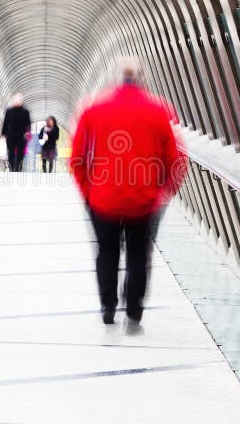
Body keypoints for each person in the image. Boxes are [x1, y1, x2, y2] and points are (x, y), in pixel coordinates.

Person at [69, 57, 187, 328]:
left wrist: (88, 191)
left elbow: (76, 159)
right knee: (138, 253)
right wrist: (164, 192)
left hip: (103, 198)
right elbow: (177, 159)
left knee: (106, 252)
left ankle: (107, 305)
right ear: (142, 78)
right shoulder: (160, 110)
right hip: (145, 200)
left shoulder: (92, 109)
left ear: (115, 79)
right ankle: (133, 308)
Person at [1, 93, 31, 172]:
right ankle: (12, 167)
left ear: (22, 101)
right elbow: (5, 122)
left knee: (20, 153)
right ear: (13, 101)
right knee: (10, 152)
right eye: (16, 100)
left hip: (21, 136)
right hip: (11, 135)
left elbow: (28, 124)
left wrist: (28, 132)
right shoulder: (9, 111)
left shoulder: (25, 112)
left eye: (19, 100)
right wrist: (3, 134)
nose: (17, 102)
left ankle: (18, 168)